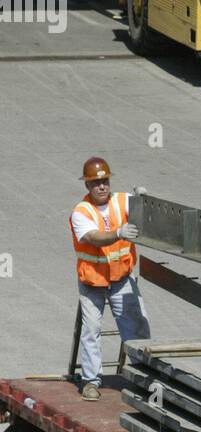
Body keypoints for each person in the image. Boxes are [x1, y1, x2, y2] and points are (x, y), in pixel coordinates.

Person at [69, 157, 151, 400]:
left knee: (136, 328)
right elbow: (94, 237)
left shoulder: (121, 201)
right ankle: (91, 381)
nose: (102, 186)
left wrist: (145, 201)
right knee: (91, 331)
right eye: (96, 183)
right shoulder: (81, 212)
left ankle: (142, 378)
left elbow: (146, 211)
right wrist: (117, 233)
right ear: (87, 186)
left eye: (104, 181)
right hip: (93, 282)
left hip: (121, 278)